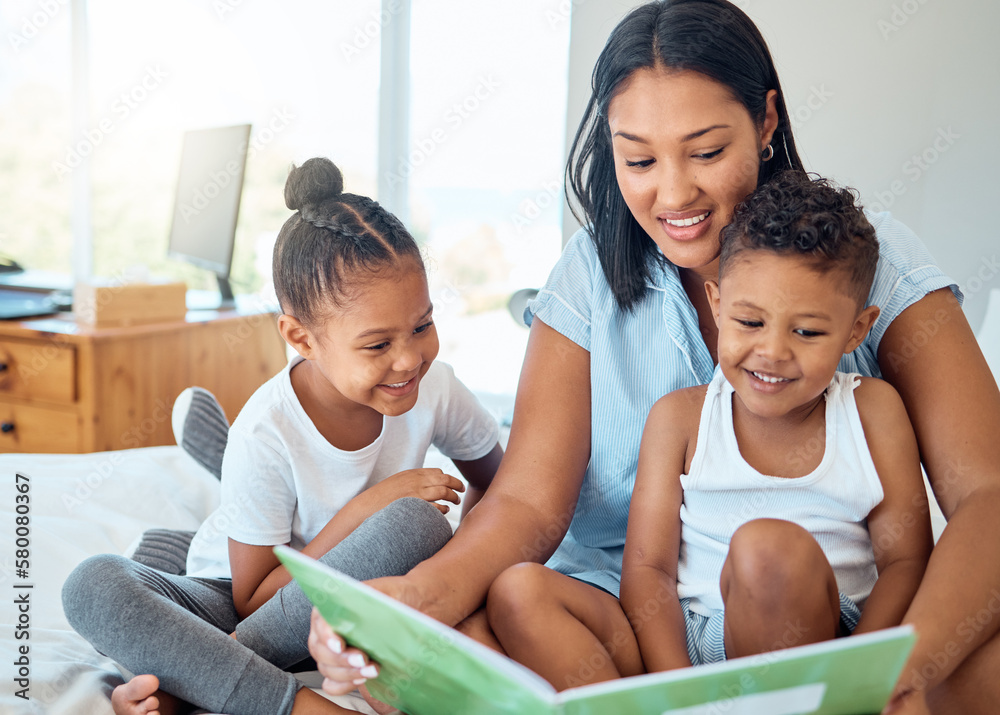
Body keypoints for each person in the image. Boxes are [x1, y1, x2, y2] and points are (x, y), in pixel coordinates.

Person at [309, 2, 1000, 712]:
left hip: (823, 614)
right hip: (637, 624)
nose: (673, 194)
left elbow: (988, 493)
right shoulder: (588, 276)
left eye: (705, 152)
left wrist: (908, 662)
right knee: (437, 648)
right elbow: (524, 503)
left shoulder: (865, 259)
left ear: (766, 123)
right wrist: (415, 598)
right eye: (638, 158)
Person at [62, 157, 503, 715]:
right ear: (301, 338)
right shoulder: (266, 429)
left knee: (419, 525)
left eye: (423, 325)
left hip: (356, 602)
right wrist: (368, 507)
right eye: (377, 345)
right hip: (242, 601)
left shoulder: (435, 386)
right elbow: (250, 603)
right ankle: (292, 705)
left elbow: (507, 488)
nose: (410, 358)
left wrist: (459, 570)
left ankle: (197, 682)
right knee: (94, 585)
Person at [486, 170, 934, 685]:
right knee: (518, 591)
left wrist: (862, 677)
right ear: (718, 306)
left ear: (858, 328)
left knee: (766, 550)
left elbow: (906, 561)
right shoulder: (681, 417)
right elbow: (648, 571)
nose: (772, 352)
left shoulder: (873, 411)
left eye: (807, 331)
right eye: (749, 322)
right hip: (693, 642)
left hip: (822, 643)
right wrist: (676, 683)